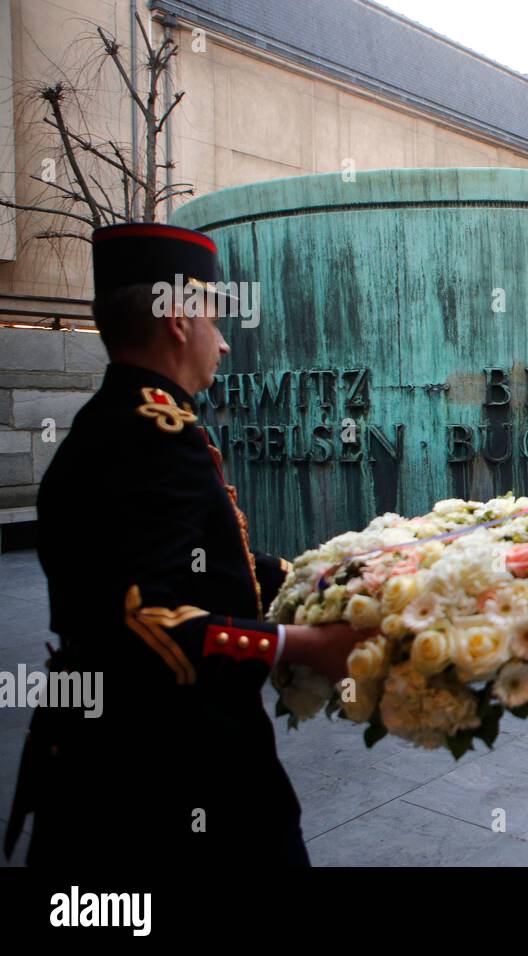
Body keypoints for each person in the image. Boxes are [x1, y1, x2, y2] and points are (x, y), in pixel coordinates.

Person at [4, 222, 364, 867]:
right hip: (167, 785)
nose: (224, 344)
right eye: (214, 319)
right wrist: (302, 644)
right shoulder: (153, 434)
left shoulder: (121, 423)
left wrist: (316, 578)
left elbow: (196, 568)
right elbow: (145, 622)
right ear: (176, 316)